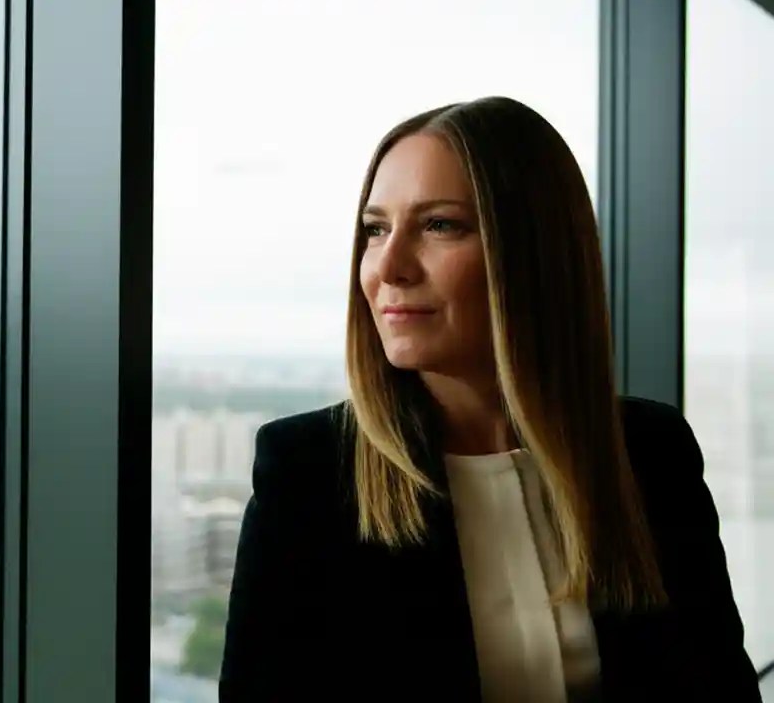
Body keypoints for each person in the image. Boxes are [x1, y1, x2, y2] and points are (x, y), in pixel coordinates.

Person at [218, 97, 760, 702]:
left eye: (438, 225)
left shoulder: (651, 452)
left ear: (534, 251)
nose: (388, 267)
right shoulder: (309, 472)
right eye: (375, 229)